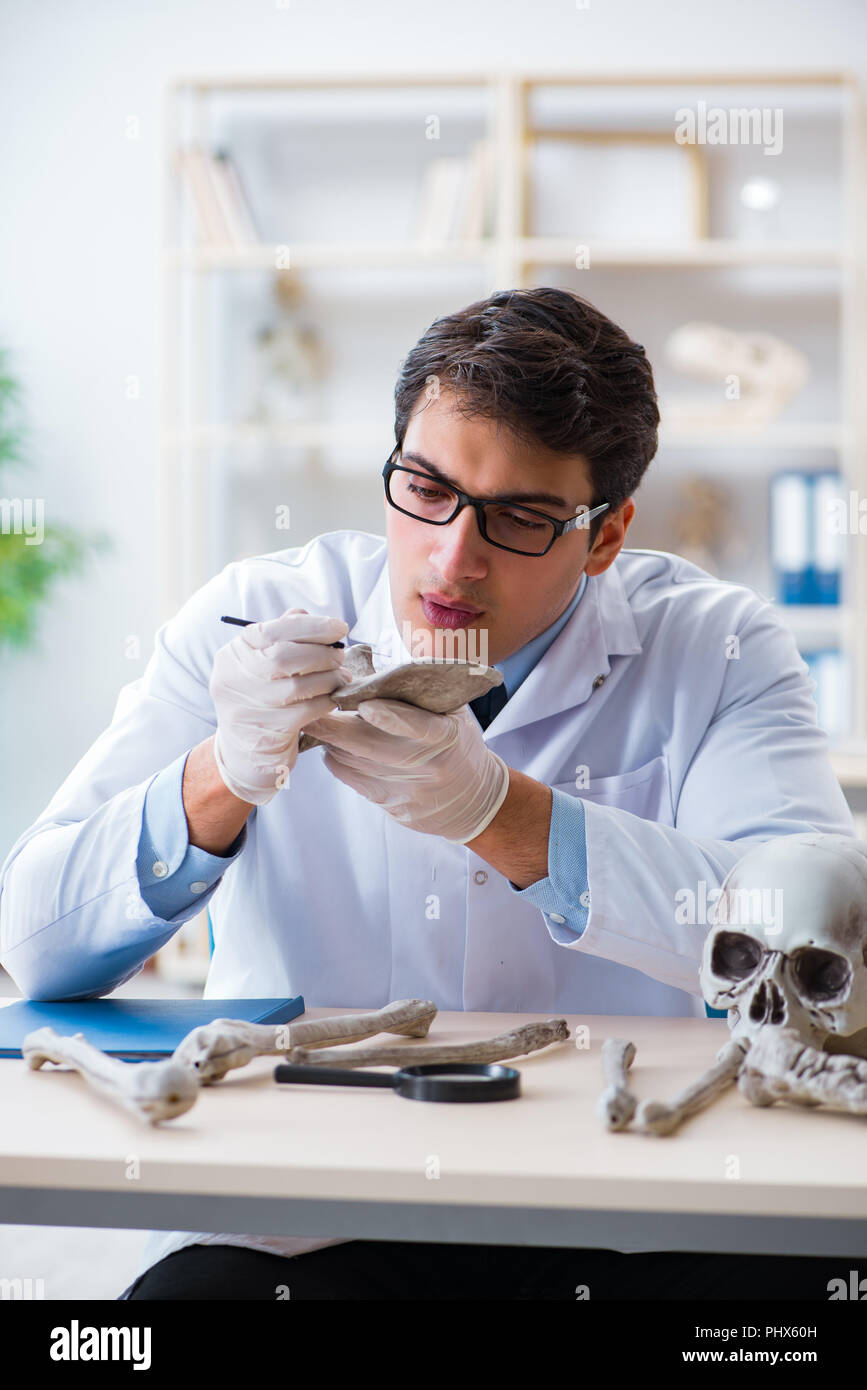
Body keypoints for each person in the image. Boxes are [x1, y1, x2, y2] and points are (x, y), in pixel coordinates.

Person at [0, 288, 855, 1300]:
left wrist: (503, 815)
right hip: (311, 1221)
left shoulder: (717, 645)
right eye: (429, 487)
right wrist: (220, 774)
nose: (455, 555)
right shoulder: (251, 621)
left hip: (635, 1204)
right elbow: (34, 945)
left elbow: (815, 957)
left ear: (607, 535)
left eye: (523, 518)